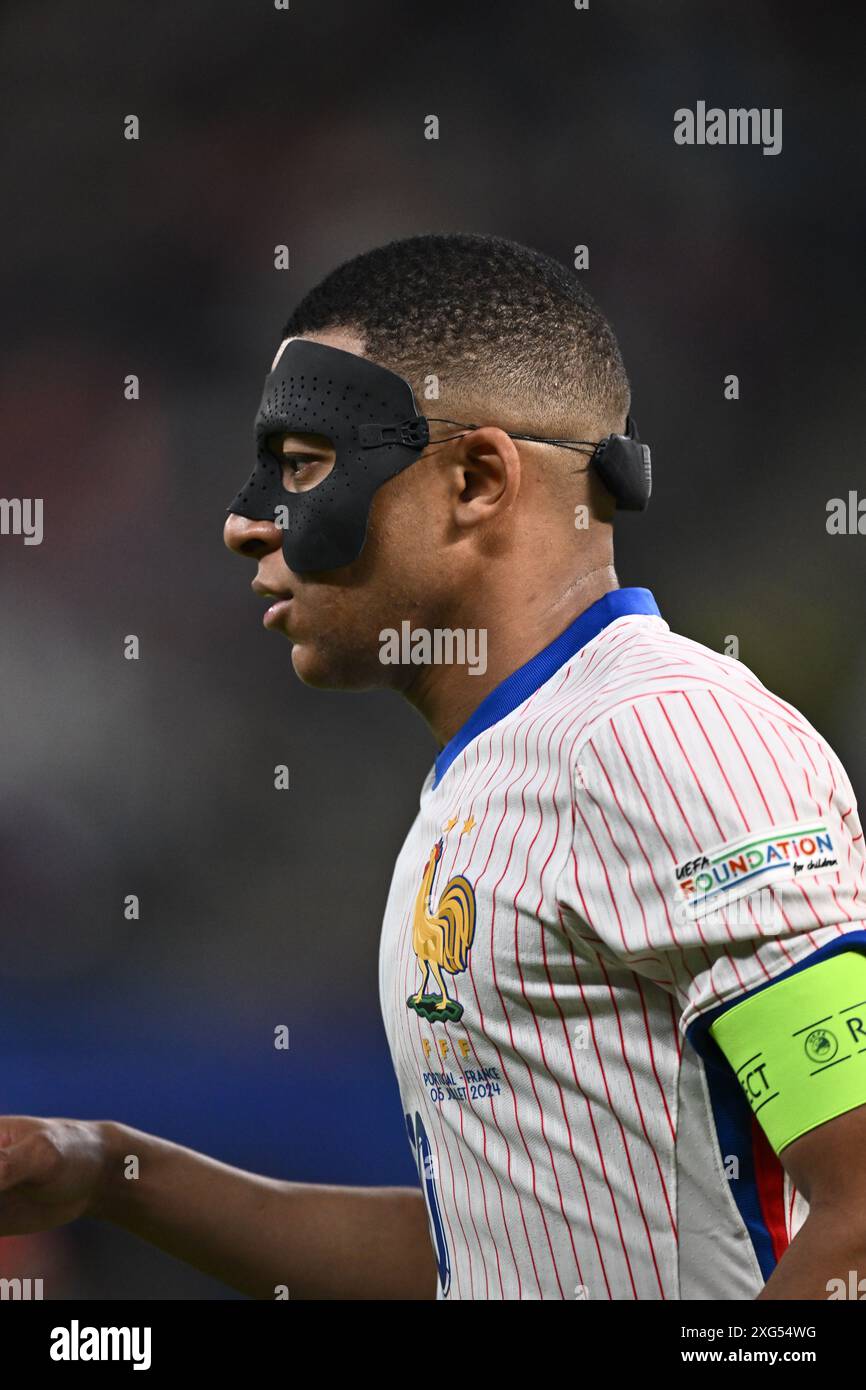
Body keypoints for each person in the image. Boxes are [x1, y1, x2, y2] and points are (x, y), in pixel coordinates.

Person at [2, 233, 866, 1301]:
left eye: (303, 466)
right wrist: (107, 1169)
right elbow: (491, 1257)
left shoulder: (664, 735)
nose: (241, 522)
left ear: (475, 478)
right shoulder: (489, 782)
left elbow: (858, 1219)